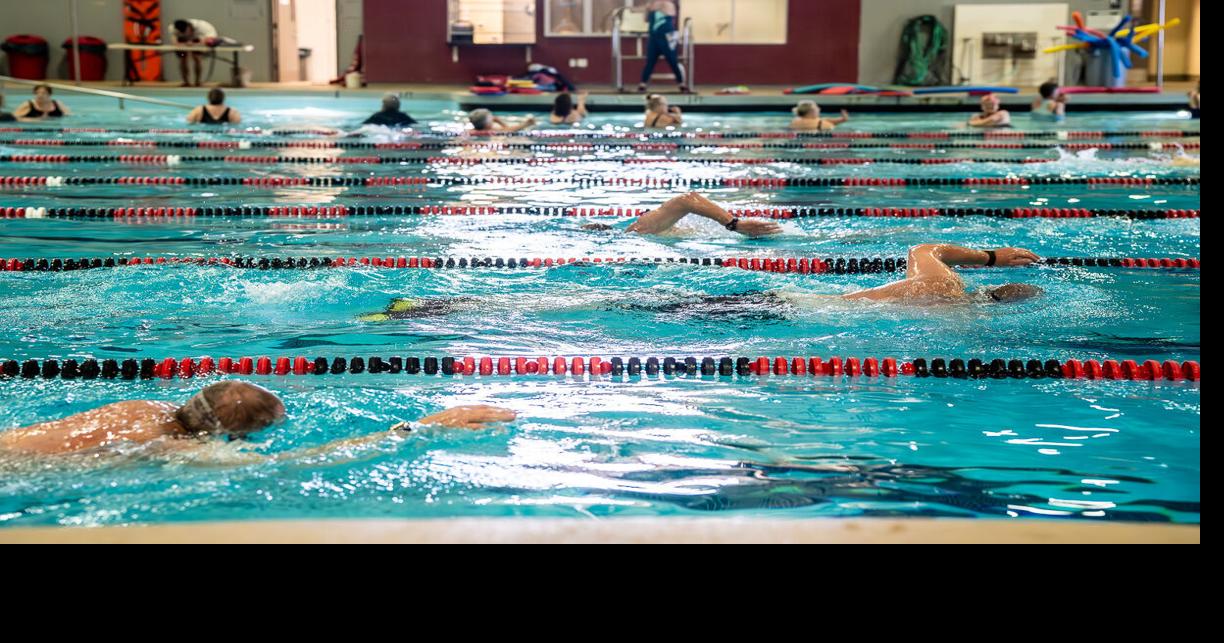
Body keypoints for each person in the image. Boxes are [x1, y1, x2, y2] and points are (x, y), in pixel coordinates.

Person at [359, 244, 1043, 322]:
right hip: (784, 323)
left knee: (599, 299)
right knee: (614, 309)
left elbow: (920, 245)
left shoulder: (945, 284)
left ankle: (432, 306)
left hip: (776, 301)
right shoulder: (959, 321)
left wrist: (990, 251)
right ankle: (443, 308)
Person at [0, 381, 516, 457]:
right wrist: (418, 426)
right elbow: (300, 460)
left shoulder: (144, 409)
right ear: (227, 435)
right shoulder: (181, 451)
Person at [635, 0, 688, 93]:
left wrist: (654, 6)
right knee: (650, 61)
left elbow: (670, 12)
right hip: (654, 37)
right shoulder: (651, 5)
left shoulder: (668, 4)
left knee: (673, 61)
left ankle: (681, 84)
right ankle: (643, 84)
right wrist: (647, 10)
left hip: (667, 37)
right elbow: (646, 19)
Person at [171, 18, 220, 87]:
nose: (184, 34)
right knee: (182, 58)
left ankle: (198, 81)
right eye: (181, 32)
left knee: (197, 58)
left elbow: (209, 41)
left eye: (185, 32)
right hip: (182, 42)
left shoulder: (205, 28)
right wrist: (183, 44)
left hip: (198, 41)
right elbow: (175, 43)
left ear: (189, 27)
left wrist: (194, 44)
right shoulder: (173, 28)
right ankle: (186, 82)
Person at [468, 108, 536, 133]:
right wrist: (527, 124)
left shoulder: (469, 132)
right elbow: (509, 129)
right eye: (491, 118)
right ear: (487, 123)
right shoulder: (493, 131)